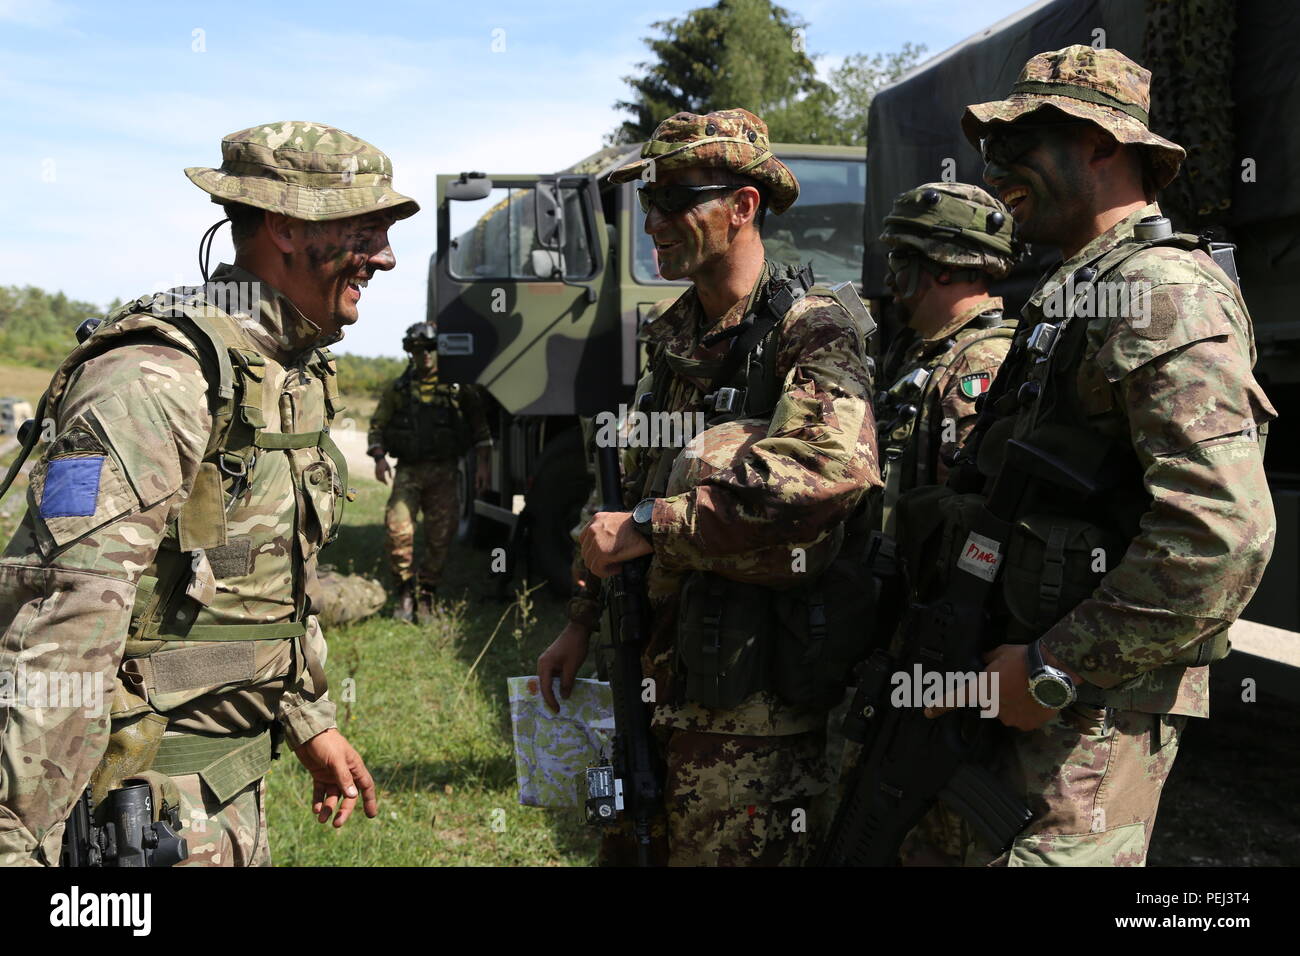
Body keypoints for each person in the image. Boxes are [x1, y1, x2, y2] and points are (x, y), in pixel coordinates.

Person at [0, 121, 417, 866]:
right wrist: (15, 841)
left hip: (219, 792)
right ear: (286, 229)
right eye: (365, 228)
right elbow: (63, 620)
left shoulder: (283, 369)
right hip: (136, 807)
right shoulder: (156, 378)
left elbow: (253, 586)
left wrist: (306, 718)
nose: (383, 256)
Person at [921, 44, 1276, 865]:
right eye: (992, 151)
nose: (998, 169)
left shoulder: (1161, 291)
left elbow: (1222, 534)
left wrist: (1055, 667)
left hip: (1086, 723)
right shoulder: (1077, 292)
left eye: (1020, 146)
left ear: (1101, 145)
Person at [536, 108, 879, 866]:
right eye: (646, 203)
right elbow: (624, 493)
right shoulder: (673, 339)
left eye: (675, 201)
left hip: (750, 710)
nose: (653, 222)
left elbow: (829, 473)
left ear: (743, 206)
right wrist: (580, 621)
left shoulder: (812, 329)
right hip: (654, 675)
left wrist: (658, 526)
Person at [875, 182, 1019, 529]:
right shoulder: (923, 348)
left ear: (945, 266)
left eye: (899, 258)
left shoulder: (981, 360)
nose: (889, 279)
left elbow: (959, 502)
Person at [367, 322, 491, 622]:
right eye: (418, 350)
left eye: (430, 349)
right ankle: (405, 594)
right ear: (410, 352)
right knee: (398, 531)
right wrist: (380, 458)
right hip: (408, 472)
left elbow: (481, 431)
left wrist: (484, 466)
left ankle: (427, 596)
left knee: (440, 537)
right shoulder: (398, 390)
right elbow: (377, 428)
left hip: (445, 473)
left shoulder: (459, 389)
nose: (424, 356)